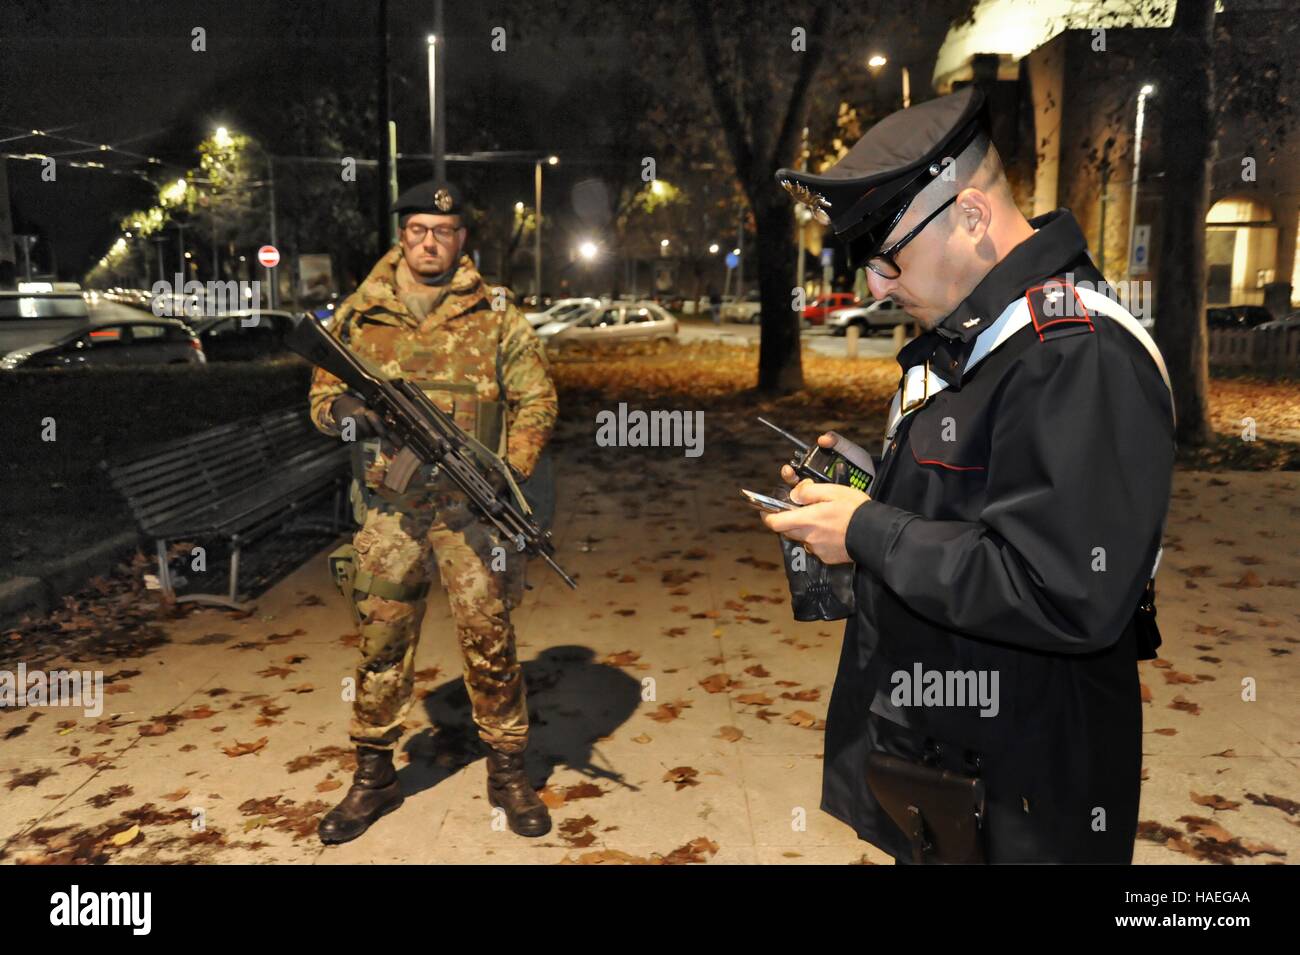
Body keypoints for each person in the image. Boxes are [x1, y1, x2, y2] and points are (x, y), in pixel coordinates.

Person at [765, 87, 1174, 863]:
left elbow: (1063, 587)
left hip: (1028, 804)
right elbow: (980, 503)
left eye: (888, 259)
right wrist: (876, 486)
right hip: (961, 776)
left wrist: (868, 529)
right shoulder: (985, 336)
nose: (876, 287)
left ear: (973, 217)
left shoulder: (1074, 353)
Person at [306, 180, 558, 843]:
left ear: (461, 238)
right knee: (381, 643)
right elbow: (322, 397)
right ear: (402, 233)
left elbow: (537, 398)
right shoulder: (364, 311)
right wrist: (352, 414)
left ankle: (507, 770)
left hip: (472, 509)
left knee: (490, 638)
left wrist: (510, 473)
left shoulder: (495, 310)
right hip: (391, 510)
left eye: (442, 231)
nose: (429, 241)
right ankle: (373, 773)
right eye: (418, 228)